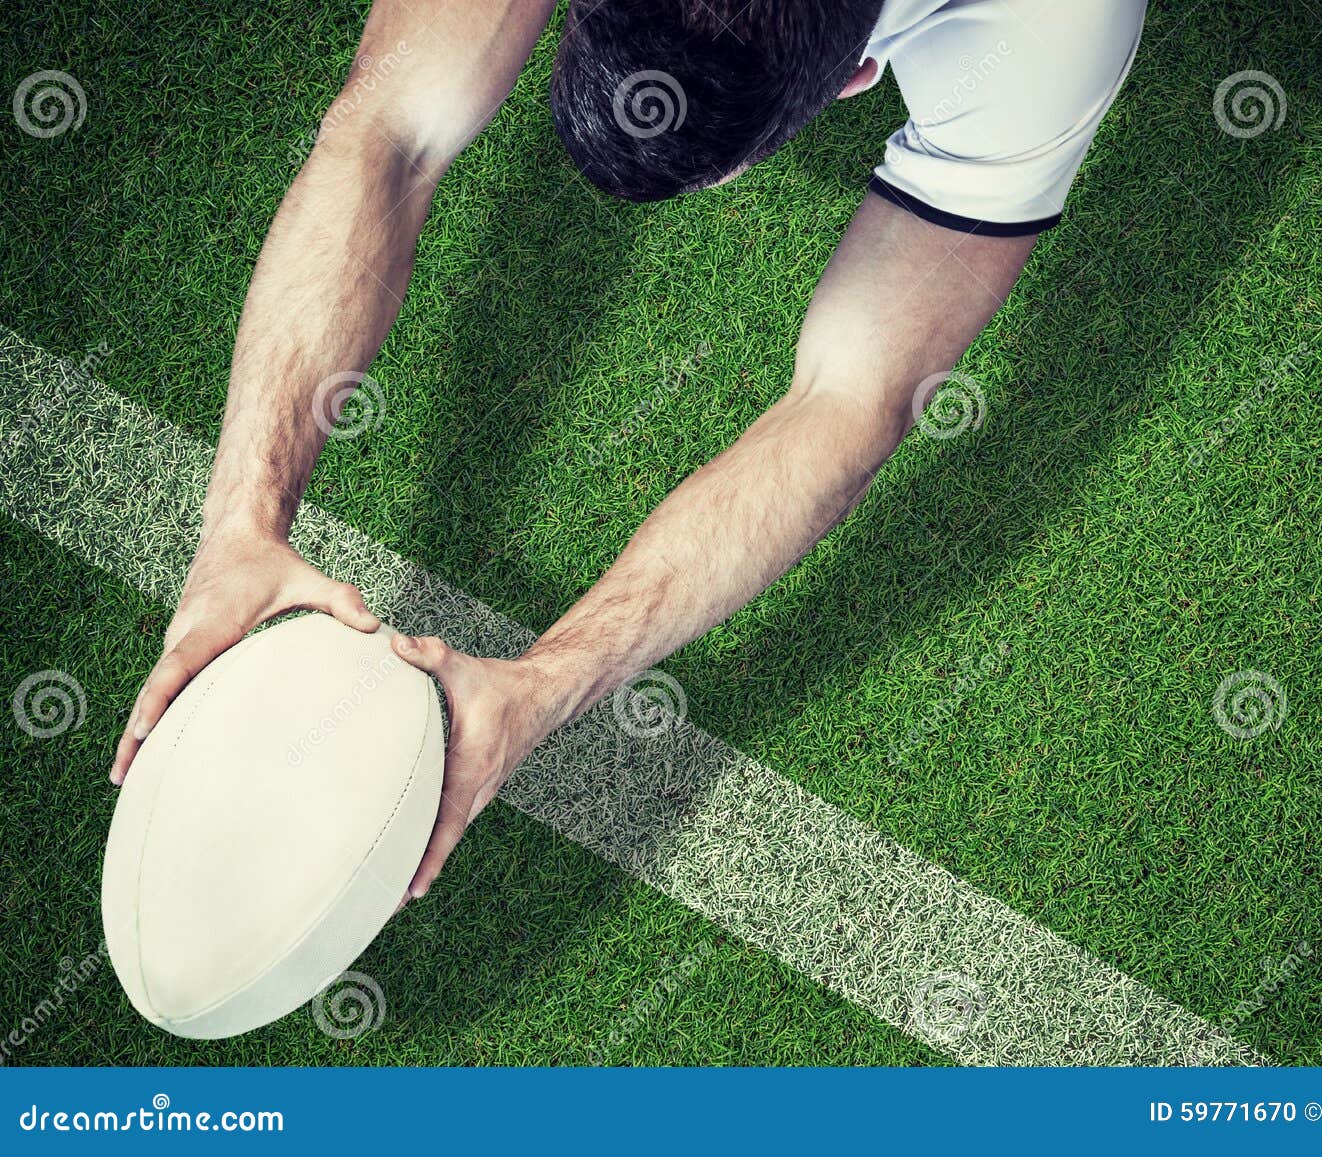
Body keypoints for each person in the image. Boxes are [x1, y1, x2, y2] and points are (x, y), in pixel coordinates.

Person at [111, 0, 1147, 900]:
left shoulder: (1046, 30)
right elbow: (389, 130)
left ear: (854, 79)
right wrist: (240, 516)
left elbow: (852, 398)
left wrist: (548, 680)